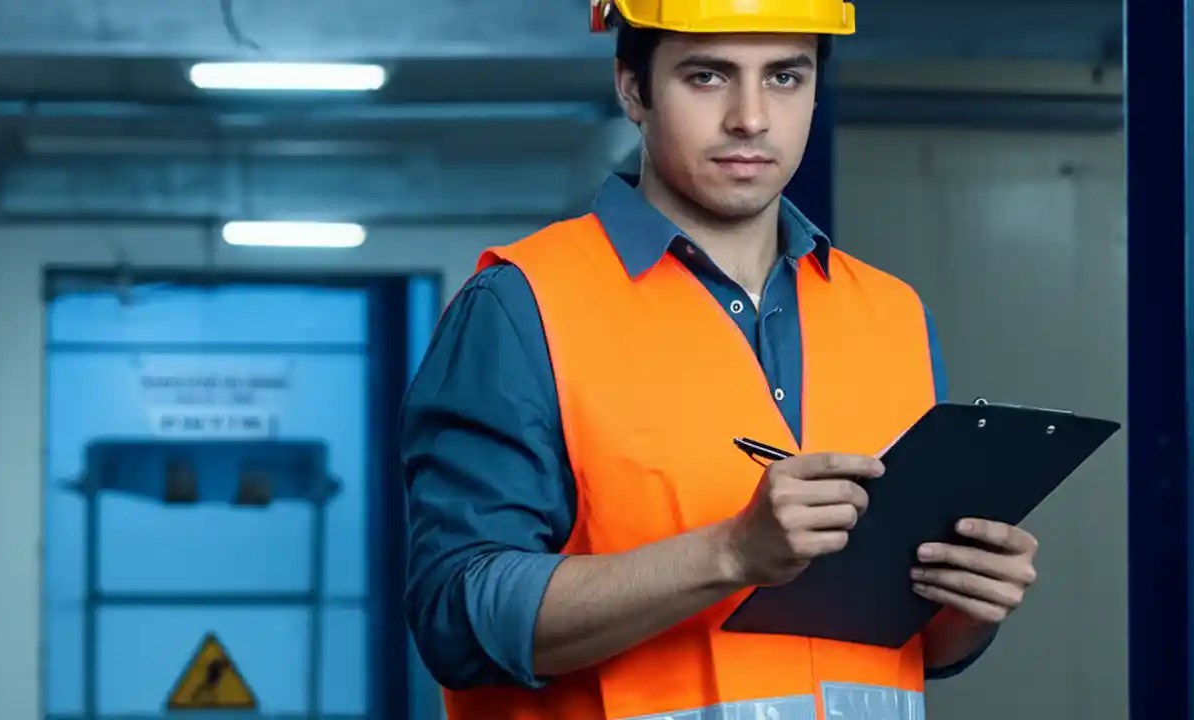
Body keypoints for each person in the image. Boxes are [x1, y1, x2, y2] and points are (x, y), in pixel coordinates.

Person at [399, 0, 1042, 717]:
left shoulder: (891, 315)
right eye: (707, 76)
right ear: (632, 89)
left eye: (785, 78)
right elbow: (457, 618)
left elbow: (910, 645)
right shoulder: (523, 306)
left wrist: (968, 606)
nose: (751, 118)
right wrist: (729, 555)